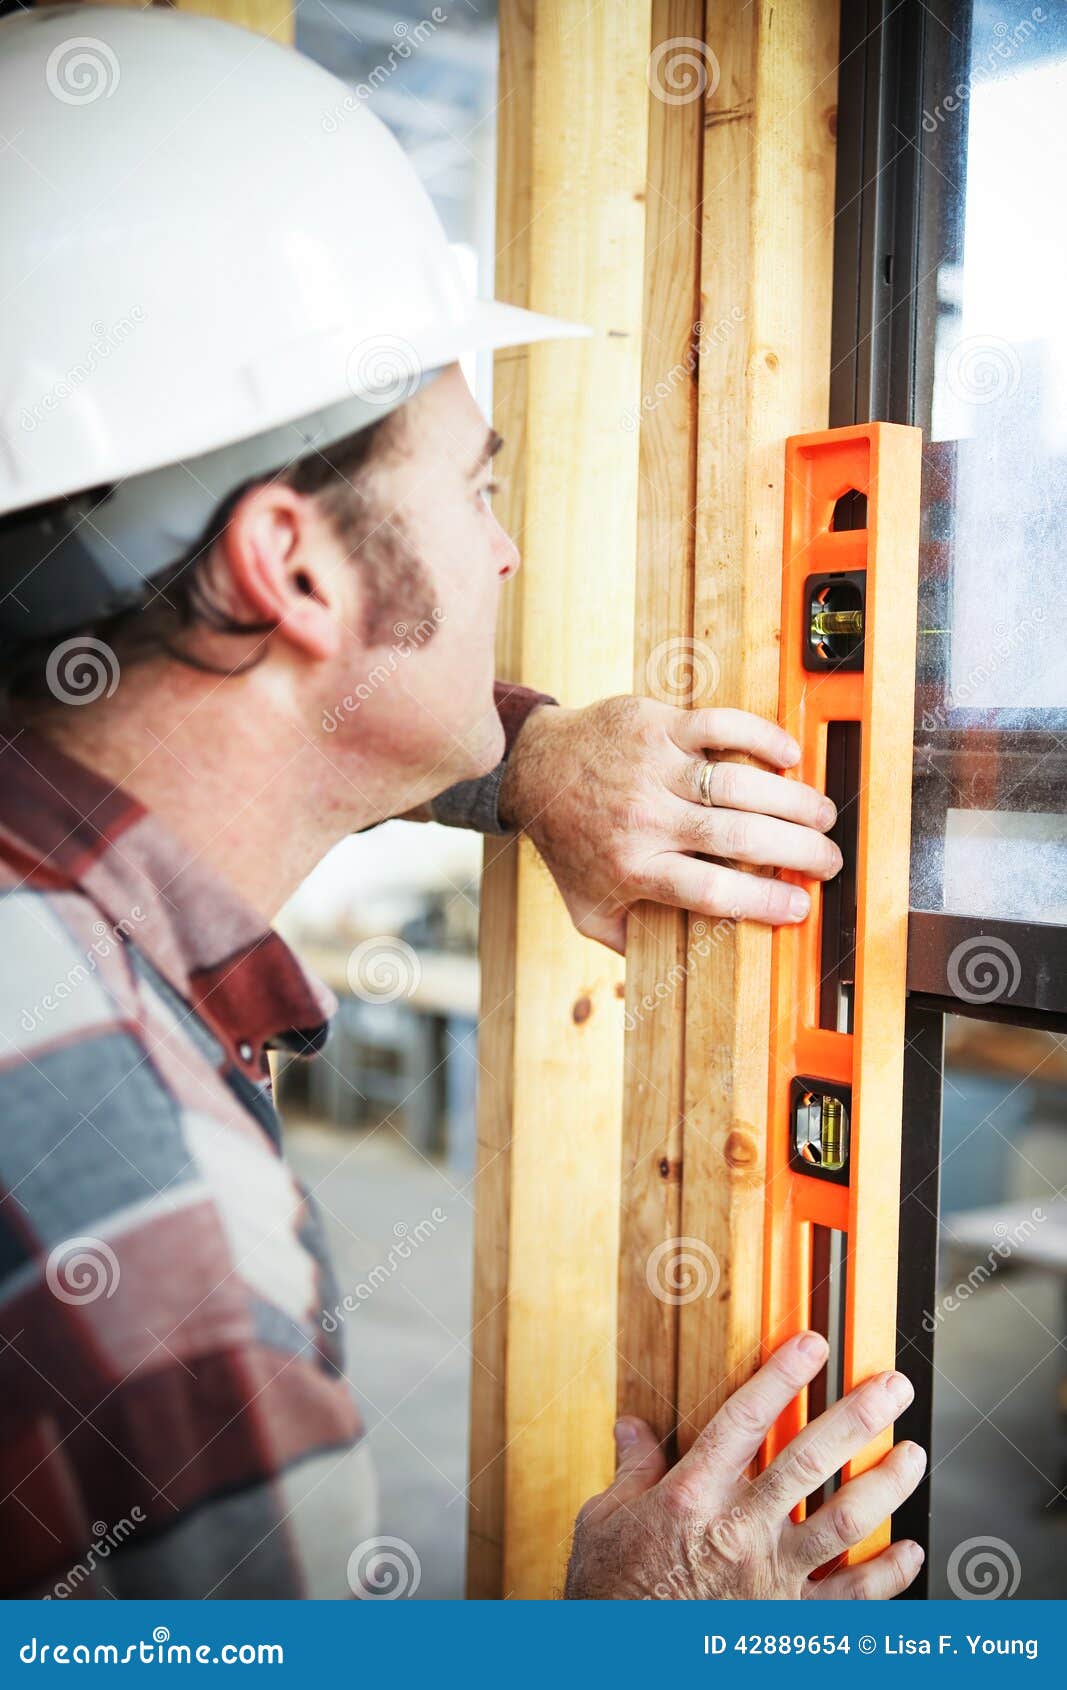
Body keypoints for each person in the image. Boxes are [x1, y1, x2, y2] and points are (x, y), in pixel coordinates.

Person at [0, 8, 924, 1599]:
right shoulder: (168, 1238)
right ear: (290, 565)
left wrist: (525, 760)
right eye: (478, 486)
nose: (503, 553)